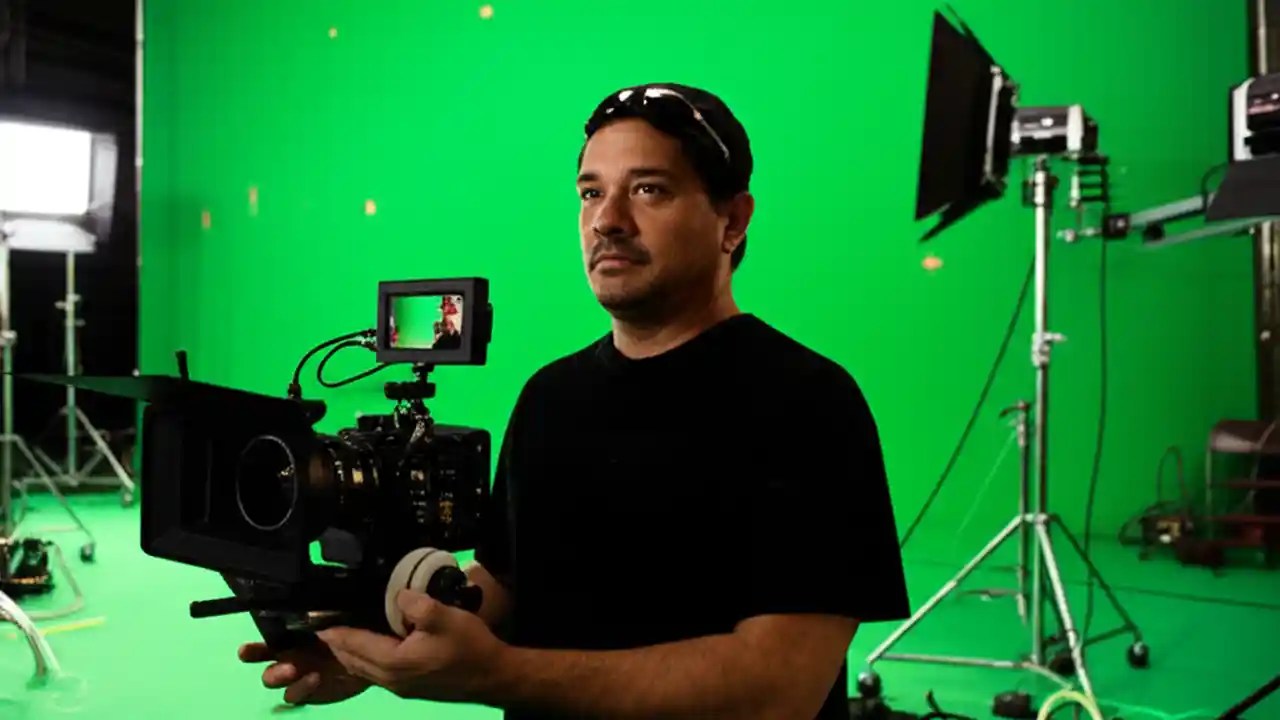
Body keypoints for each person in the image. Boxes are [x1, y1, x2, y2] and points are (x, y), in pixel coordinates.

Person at [238, 82, 910, 719]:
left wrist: (494, 674)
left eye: (648, 189)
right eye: (591, 193)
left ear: (732, 219)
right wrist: (374, 650)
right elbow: (503, 583)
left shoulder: (808, 402)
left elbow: (778, 690)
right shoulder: (550, 396)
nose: (608, 221)